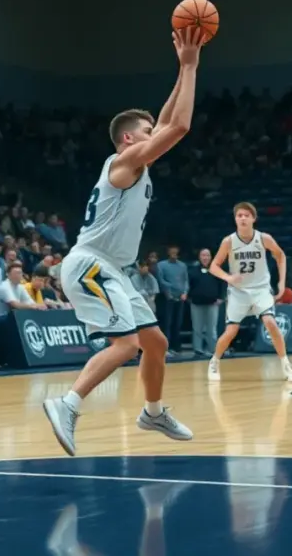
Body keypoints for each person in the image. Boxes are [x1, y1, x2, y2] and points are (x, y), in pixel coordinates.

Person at [42, 27, 204, 457]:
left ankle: (152, 412)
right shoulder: (124, 161)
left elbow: (169, 120)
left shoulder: (137, 161)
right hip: (90, 263)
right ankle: (67, 403)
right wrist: (190, 65)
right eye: (147, 129)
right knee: (127, 344)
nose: (156, 131)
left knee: (157, 344)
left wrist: (182, 65)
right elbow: (181, 125)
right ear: (130, 139)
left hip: (112, 268)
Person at [206, 201, 292, 382]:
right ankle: (214, 361)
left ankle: (286, 365)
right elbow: (213, 266)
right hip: (238, 291)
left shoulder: (264, 238)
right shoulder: (229, 241)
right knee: (231, 331)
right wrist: (228, 278)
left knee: (271, 323)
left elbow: (281, 256)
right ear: (235, 219)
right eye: (239, 215)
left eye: (246, 215)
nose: (242, 218)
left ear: (253, 219)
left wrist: (281, 282)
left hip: (261, 289)